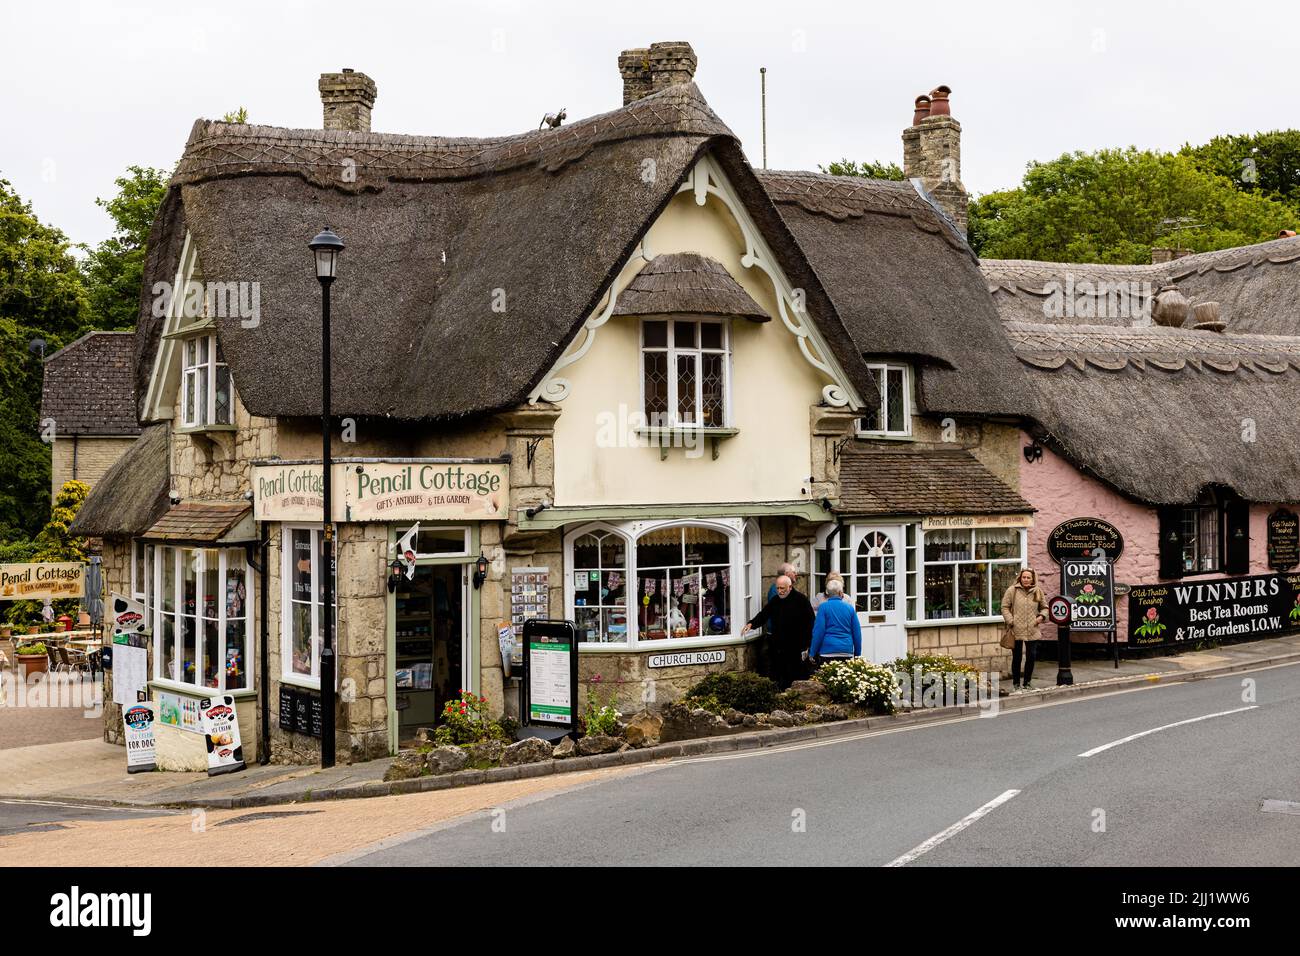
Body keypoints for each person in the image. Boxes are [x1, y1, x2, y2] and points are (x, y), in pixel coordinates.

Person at [742, 574, 813, 688]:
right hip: (778, 646)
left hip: (796, 646)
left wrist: (807, 645)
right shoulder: (775, 600)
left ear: (790, 587)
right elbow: (764, 614)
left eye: (782, 588)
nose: (779, 591)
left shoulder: (801, 600)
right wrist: (752, 624)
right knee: (778, 675)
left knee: (795, 675)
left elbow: (810, 623)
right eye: (778, 588)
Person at [1001, 567, 1048, 690]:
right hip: (1016, 629)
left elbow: (1045, 607)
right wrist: (1011, 621)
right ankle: (1016, 684)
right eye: (1024, 577)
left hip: (1033, 629)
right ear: (1020, 578)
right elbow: (1005, 607)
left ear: (1032, 579)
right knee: (1017, 657)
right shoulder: (1012, 590)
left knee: (1031, 656)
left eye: (1028, 577)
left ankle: (1027, 683)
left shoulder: (1037, 591)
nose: (1026, 579)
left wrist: (1041, 617)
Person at [810, 578, 860, 664]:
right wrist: (857, 654)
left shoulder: (823, 607)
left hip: (827, 650)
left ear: (827, 593)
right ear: (841, 593)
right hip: (846, 650)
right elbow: (857, 633)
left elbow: (818, 632)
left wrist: (812, 652)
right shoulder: (849, 608)